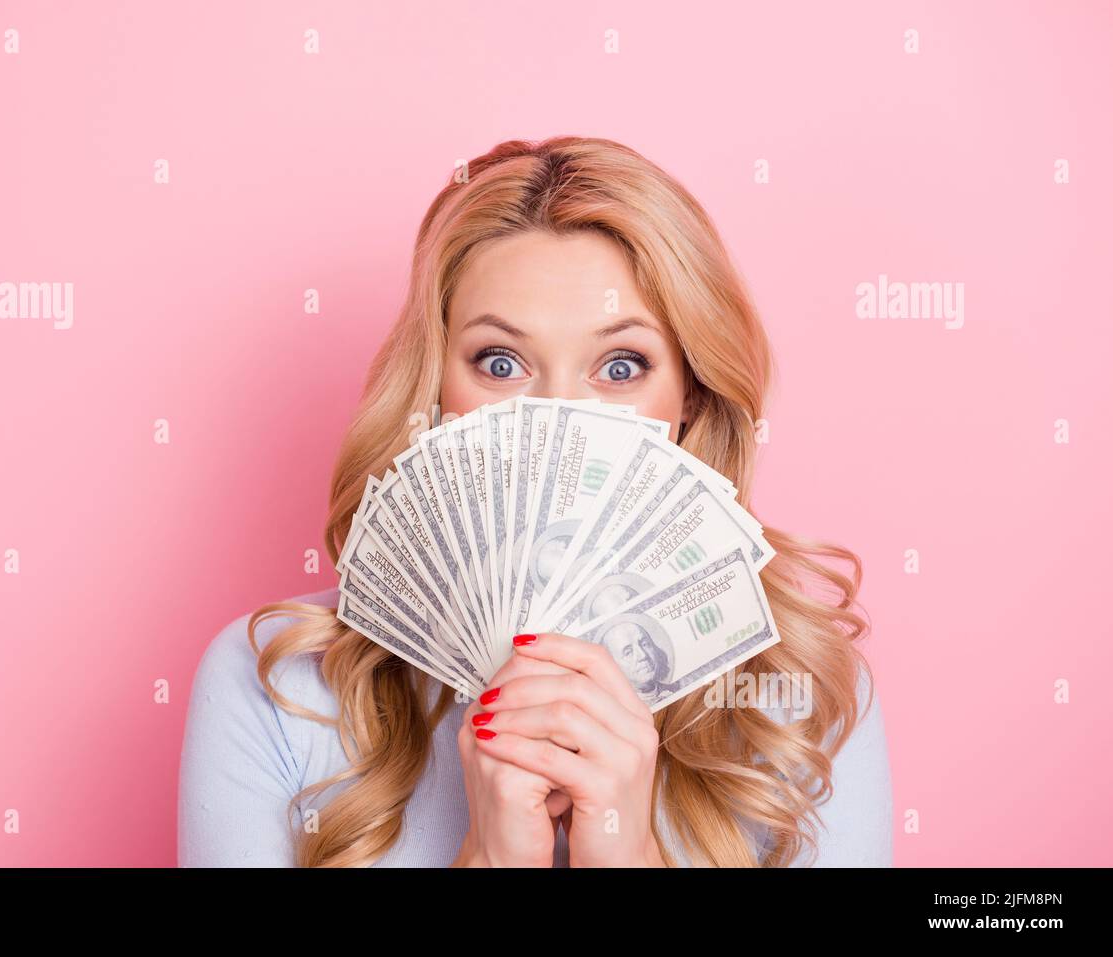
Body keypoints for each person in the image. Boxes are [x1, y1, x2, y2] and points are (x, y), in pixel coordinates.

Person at [178, 136, 893, 867]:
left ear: (689, 401)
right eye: (500, 362)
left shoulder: (803, 703)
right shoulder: (275, 683)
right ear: (434, 394)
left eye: (621, 366)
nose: (557, 420)